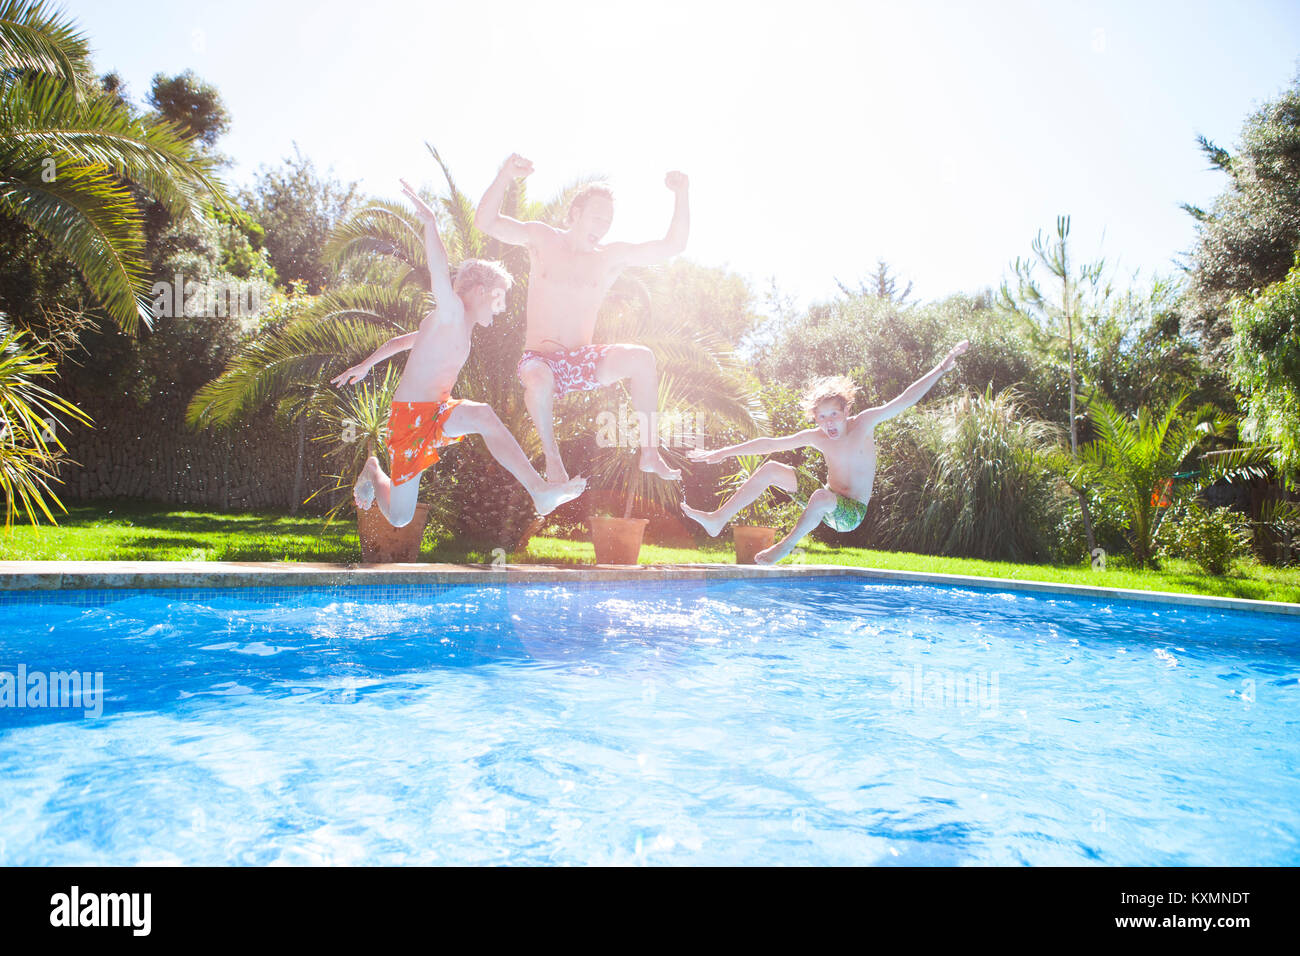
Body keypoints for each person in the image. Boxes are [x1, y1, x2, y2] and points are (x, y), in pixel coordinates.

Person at [332, 179, 586, 528]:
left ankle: (539, 489)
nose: (499, 311)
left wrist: (365, 365)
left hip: (438, 412)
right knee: (401, 517)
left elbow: (402, 342)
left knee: (482, 415)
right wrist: (431, 223)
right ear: (480, 291)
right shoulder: (450, 313)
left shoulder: (454, 324)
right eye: (498, 300)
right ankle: (375, 471)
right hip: (409, 421)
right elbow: (439, 270)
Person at [474, 152, 689, 483]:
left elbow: (671, 246)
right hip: (540, 358)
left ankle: (649, 453)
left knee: (642, 358)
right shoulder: (541, 238)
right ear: (575, 213)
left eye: (607, 221)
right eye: (597, 218)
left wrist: (682, 193)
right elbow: (485, 222)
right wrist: (505, 174)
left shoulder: (609, 257)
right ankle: (554, 461)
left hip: (582, 360)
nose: (602, 228)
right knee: (540, 379)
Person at [683, 341, 971, 564]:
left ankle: (784, 548)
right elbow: (770, 443)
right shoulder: (817, 436)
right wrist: (724, 451)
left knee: (820, 496)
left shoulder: (864, 423)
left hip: (851, 513)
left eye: (834, 414)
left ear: (846, 411)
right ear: (816, 418)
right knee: (772, 468)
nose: (829, 422)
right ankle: (718, 518)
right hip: (826, 500)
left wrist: (943, 367)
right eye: (822, 417)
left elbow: (904, 399)